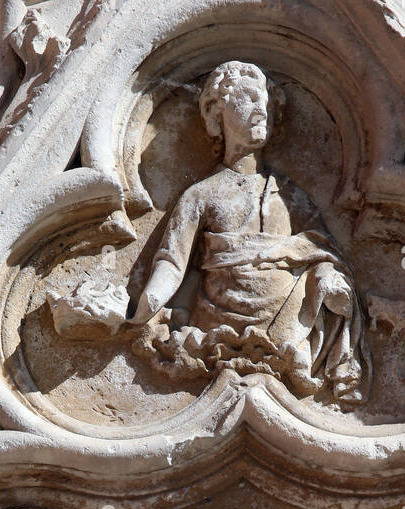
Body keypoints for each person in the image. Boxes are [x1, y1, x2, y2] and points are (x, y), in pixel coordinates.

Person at [127, 60, 370, 404]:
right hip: (217, 329)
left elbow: (322, 250)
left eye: (266, 104)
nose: (261, 110)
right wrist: (142, 307)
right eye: (249, 99)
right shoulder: (201, 195)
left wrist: (330, 279)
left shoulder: (288, 194)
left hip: (289, 322)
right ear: (216, 114)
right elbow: (171, 262)